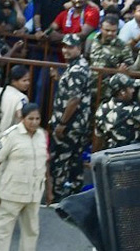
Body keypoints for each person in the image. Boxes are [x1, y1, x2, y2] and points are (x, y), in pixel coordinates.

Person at [0, 102, 51, 251]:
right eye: (30, 119)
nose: (34, 122)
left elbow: (45, 163)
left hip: (34, 193)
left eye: (37, 119)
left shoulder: (42, 135)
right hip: (12, 193)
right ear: (22, 118)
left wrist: (49, 190)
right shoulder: (11, 135)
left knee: (31, 231)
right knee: (3, 231)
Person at [47, 34, 92, 200]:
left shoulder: (76, 70)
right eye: (64, 46)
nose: (66, 50)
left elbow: (74, 100)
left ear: (79, 48)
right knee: (74, 159)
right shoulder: (78, 65)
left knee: (60, 159)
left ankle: (58, 196)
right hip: (78, 123)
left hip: (70, 124)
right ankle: (75, 194)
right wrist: (59, 79)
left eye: (70, 47)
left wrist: (62, 123)